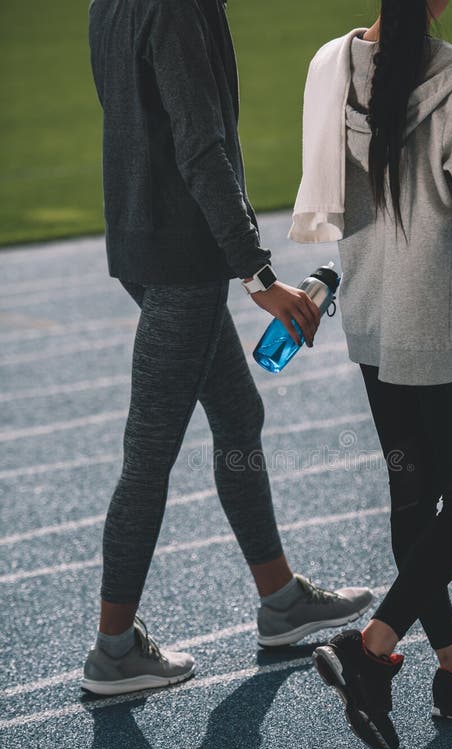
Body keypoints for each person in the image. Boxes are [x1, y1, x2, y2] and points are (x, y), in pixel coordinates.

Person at [81, 0, 374, 697]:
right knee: (148, 456)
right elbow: (200, 144)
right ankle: (114, 651)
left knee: (238, 419)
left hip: (139, 243)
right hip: (185, 259)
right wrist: (258, 273)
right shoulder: (178, 9)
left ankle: (280, 601)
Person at [290, 0, 452, 749]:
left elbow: (330, 199)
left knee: (414, 495)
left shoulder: (328, 65)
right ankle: (368, 650)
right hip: (442, 326)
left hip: (371, 316)